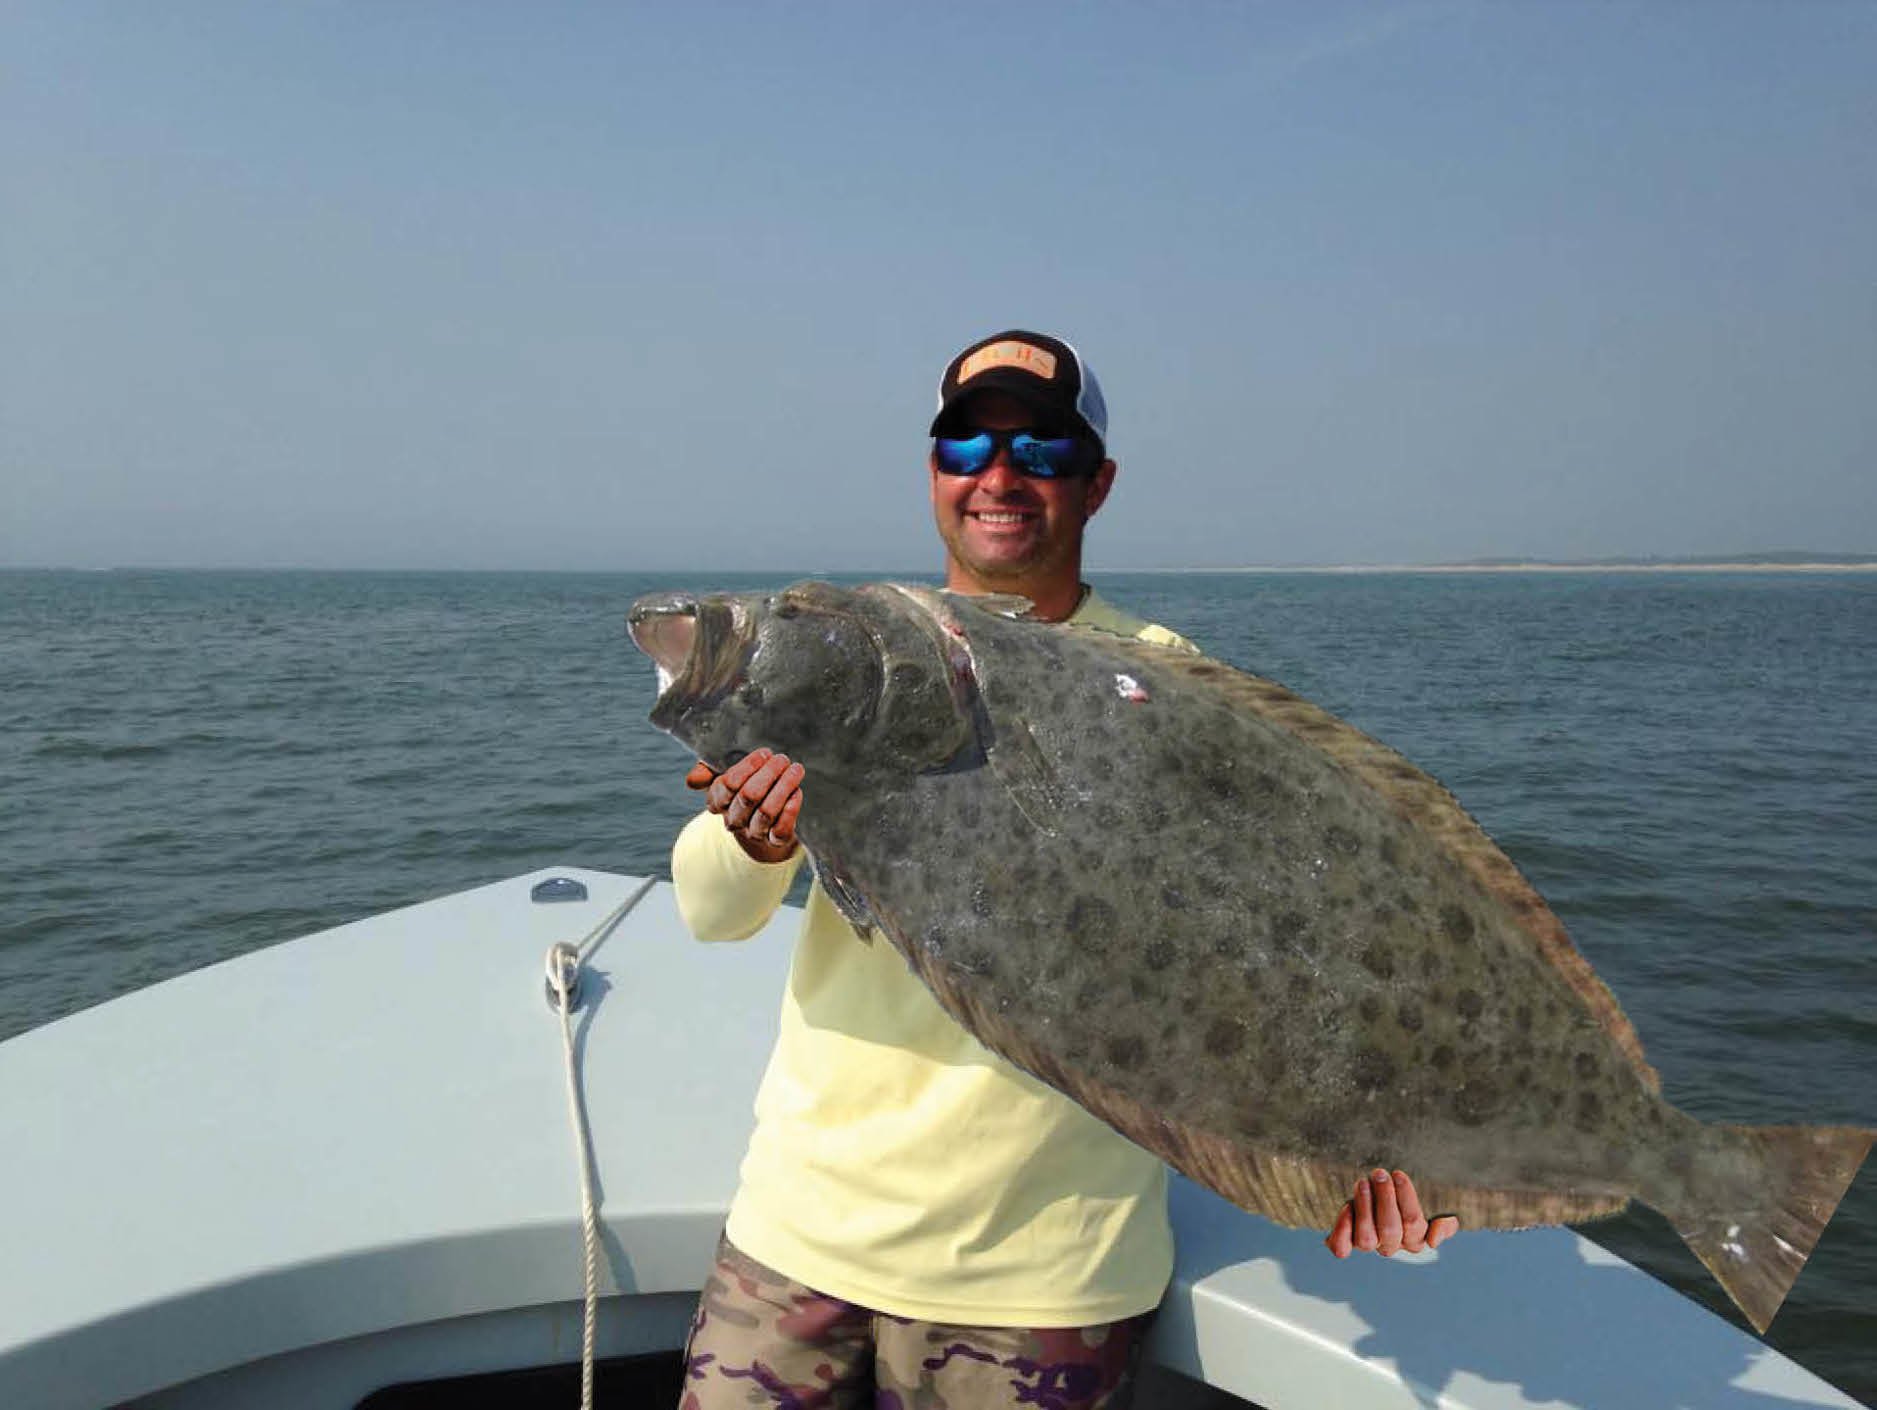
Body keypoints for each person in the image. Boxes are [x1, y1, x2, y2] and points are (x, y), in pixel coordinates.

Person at [669, 331, 1458, 1409]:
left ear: (1096, 484)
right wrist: (757, 838)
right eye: (966, 443)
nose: (999, 475)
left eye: (1041, 448)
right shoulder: (853, 648)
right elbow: (712, 915)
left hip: (1047, 1274)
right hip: (796, 1234)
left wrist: (1372, 1140)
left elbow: (1290, 943)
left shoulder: (1168, 680)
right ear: (934, 473)